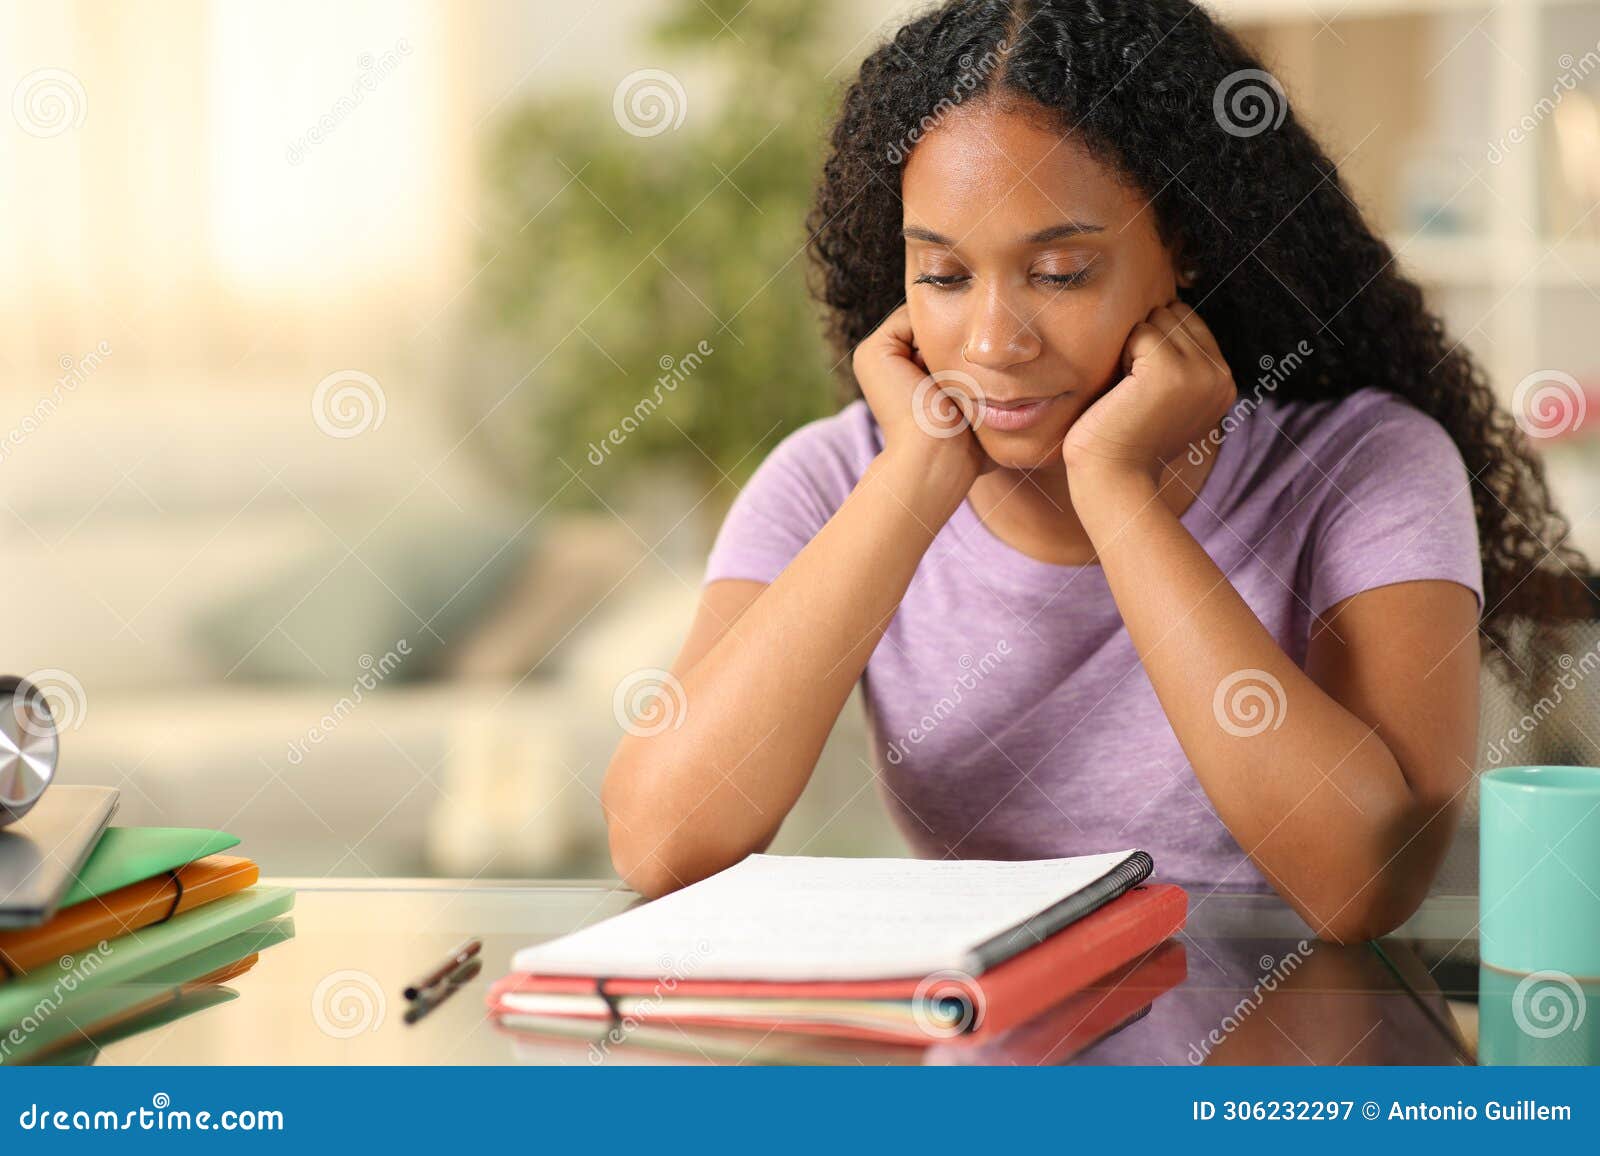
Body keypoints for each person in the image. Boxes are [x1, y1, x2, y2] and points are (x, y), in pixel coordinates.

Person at [601, 0, 1587, 941]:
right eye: (943, 275)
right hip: (988, 1041)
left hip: (1288, 1044)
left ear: (1184, 245)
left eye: (1059, 273)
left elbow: (1363, 883)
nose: (993, 342)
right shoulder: (834, 481)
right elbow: (662, 844)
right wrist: (912, 481)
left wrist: (1118, 492)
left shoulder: (1365, 466)